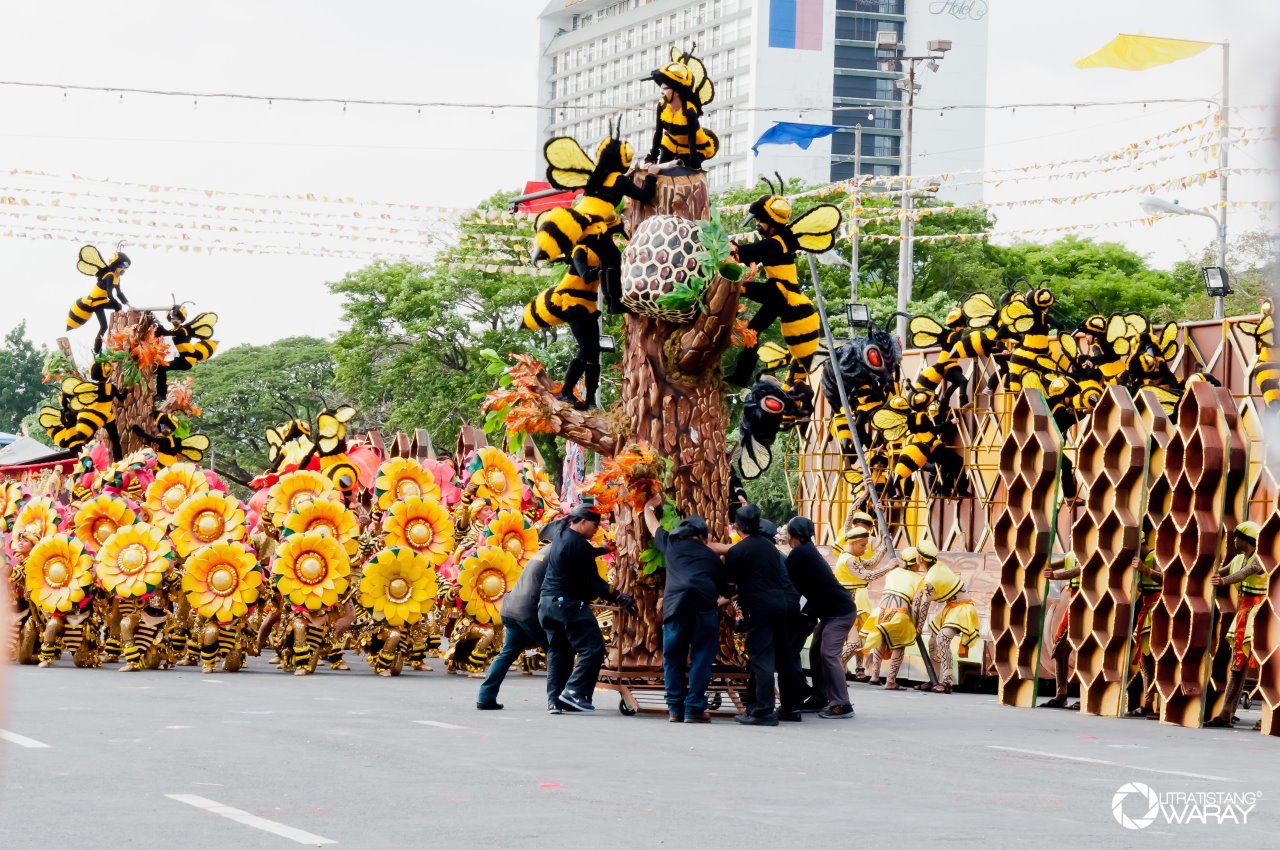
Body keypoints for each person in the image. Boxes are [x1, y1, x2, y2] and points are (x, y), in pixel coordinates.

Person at [538, 504, 636, 714]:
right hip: (567, 605)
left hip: (546, 604)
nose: (596, 529)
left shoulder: (562, 531)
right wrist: (620, 596)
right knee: (593, 648)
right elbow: (596, 583)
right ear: (582, 521)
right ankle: (573, 692)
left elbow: (581, 554)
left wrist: (602, 550)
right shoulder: (579, 545)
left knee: (558, 652)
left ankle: (555, 702)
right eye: (594, 524)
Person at [643, 496, 724, 723]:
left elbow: (653, 526)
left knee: (673, 658)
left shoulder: (671, 544)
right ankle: (694, 709)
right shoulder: (710, 556)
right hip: (703, 610)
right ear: (702, 536)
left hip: (675, 608)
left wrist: (648, 506)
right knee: (701, 658)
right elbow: (723, 588)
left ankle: (674, 709)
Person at [723, 504, 803, 725]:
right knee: (785, 656)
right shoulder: (770, 548)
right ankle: (790, 707)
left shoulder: (737, 551)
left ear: (737, 527)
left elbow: (728, 588)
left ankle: (764, 710)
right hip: (782, 606)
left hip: (758, 609)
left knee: (761, 658)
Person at [476, 518, 565, 710]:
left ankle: (485, 697)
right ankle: (557, 700)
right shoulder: (558, 554)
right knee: (556, 651)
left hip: (512, 608)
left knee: (507, 653)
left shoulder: (541, 553)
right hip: (528, 611)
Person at [784, 517, 857, 719]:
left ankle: (842, 704)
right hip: (830, 611)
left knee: (828, 654)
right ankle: (820, 696)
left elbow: (784, 580)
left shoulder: (799, 553)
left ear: (792, 536)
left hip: (839, 613)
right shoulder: (808, 550)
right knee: (816, 651)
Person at [1206, 521, 1265, 728]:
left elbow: (1244, 573)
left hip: (1261, 615)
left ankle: (1267, 716)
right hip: (1243, 614)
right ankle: (1226, 712)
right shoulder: (1238, 558)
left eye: (1237, 537)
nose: (1234, 540)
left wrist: (1223, 581)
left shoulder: (1260, 559)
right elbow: (1221, 571)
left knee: (1265, 667)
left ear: (1247, 539)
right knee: (1237, 667)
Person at [860, 543, 929, 690]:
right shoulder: (919, 579)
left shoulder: (893, 572)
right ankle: (890, 681)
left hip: (881, 611)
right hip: (899, 615)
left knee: (882, 638)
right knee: (900, 645)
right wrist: (917, 625)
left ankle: (874, 676)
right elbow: (917, 605)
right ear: (917, 561)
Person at [917, 557, 980, 694]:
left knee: (942, 638)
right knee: (933, 641)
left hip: (962, 608)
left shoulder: (933, 575)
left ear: (919, 558)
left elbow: (924, 606)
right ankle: (934, 679)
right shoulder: (935, 569)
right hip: (950, 608)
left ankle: (947, 681)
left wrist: (919, 628)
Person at [1040, 553, 1081, 709]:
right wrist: (1043, 565)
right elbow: (1061, 562)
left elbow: (1081, 569)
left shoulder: (1092, 547)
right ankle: (1061, 693)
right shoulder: (1073, 552)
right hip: (1072, 598)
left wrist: (1056, 575)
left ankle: (1087, 695)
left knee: (1085, 648)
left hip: (1088, 598)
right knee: (1060, 647)